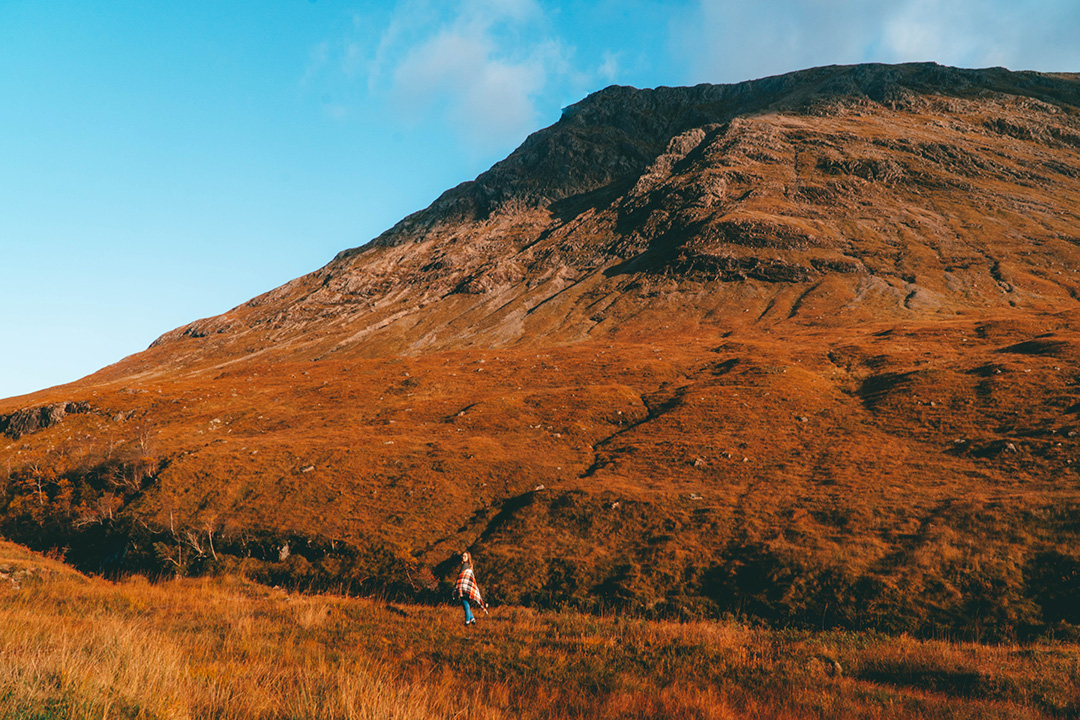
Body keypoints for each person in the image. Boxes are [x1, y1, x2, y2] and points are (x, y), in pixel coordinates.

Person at [454, 551, 487, 625]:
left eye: (465, 556)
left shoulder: (465, 565)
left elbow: (461, 576)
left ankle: (467, 621)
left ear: (468, 558)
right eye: (462, 556)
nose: (463, 557)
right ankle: (472, 620)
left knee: (465, 604)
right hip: (467, 588)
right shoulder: (470, 566)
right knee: (466, 603)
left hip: (463, 588)